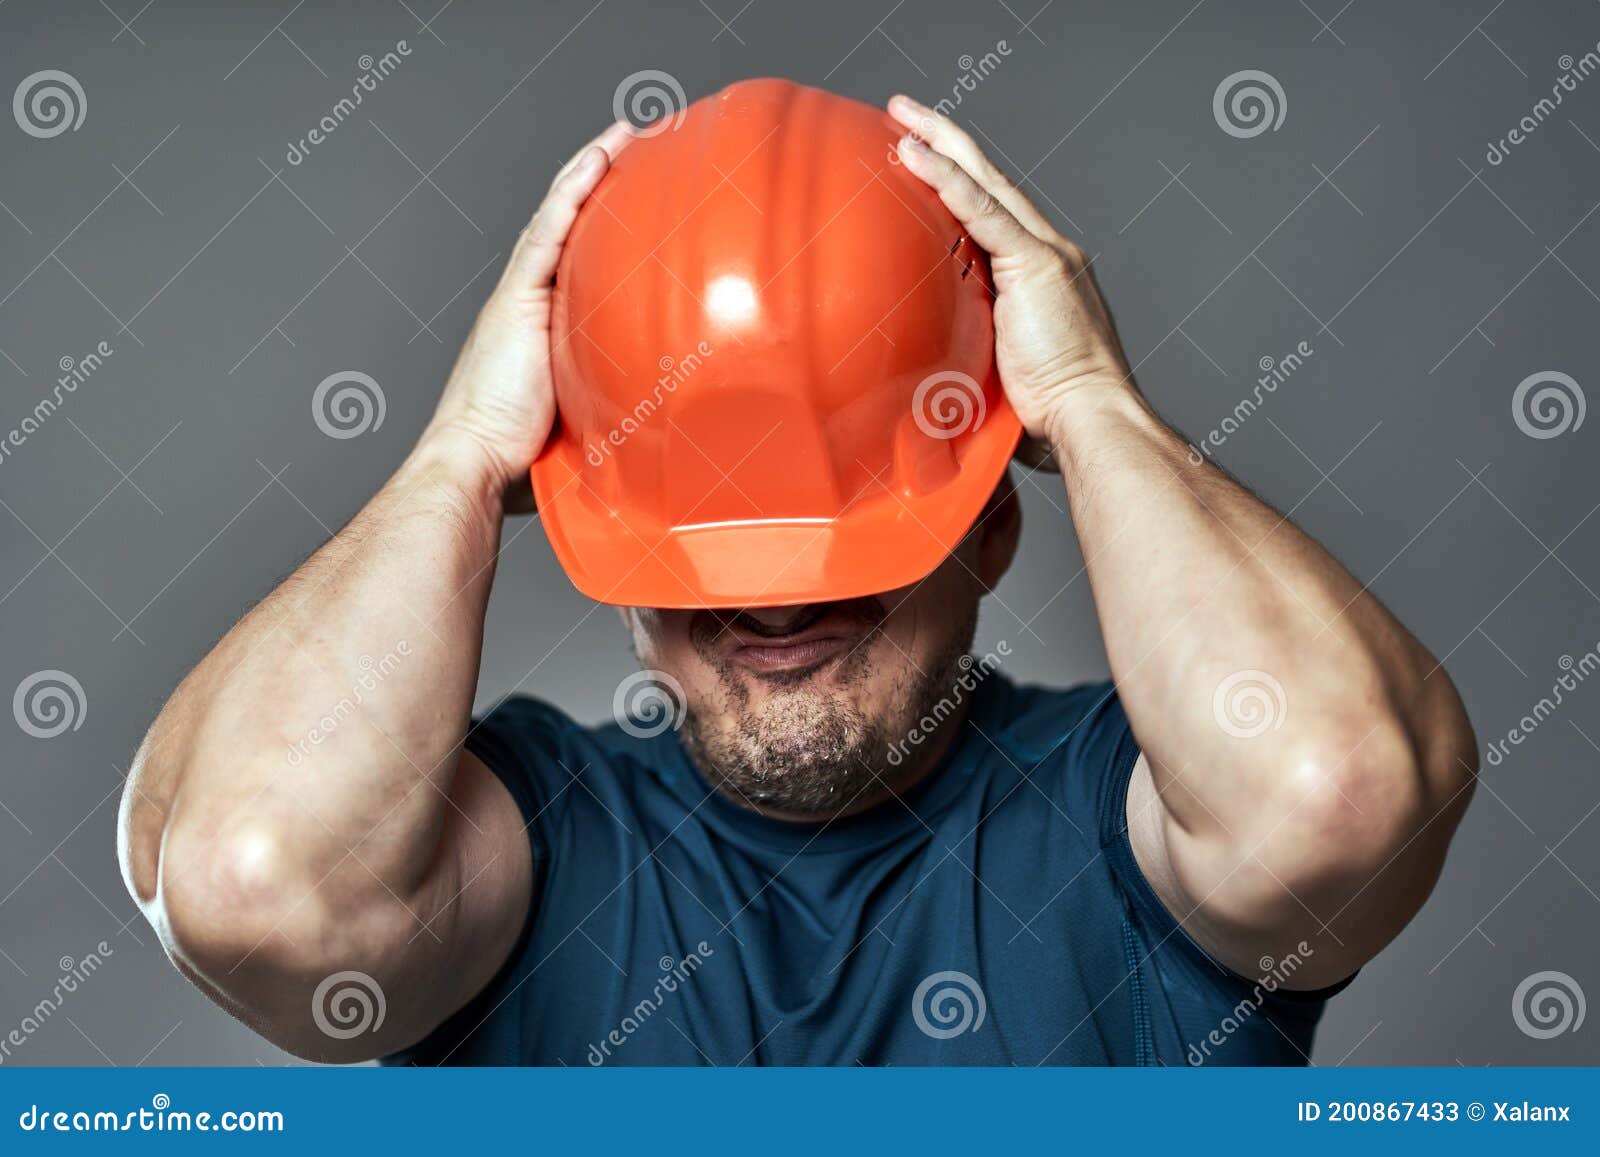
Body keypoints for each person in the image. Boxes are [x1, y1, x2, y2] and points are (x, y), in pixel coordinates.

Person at [117, 82, 1476, 1066]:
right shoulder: (528, 841)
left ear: (990, 527)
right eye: (710, 555)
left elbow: (1337, 796)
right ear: (620, 564)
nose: (773, 603)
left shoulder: (1125, 821)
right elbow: (249, 879)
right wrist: (457, 461)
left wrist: (1086, 397)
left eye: (844, 549)